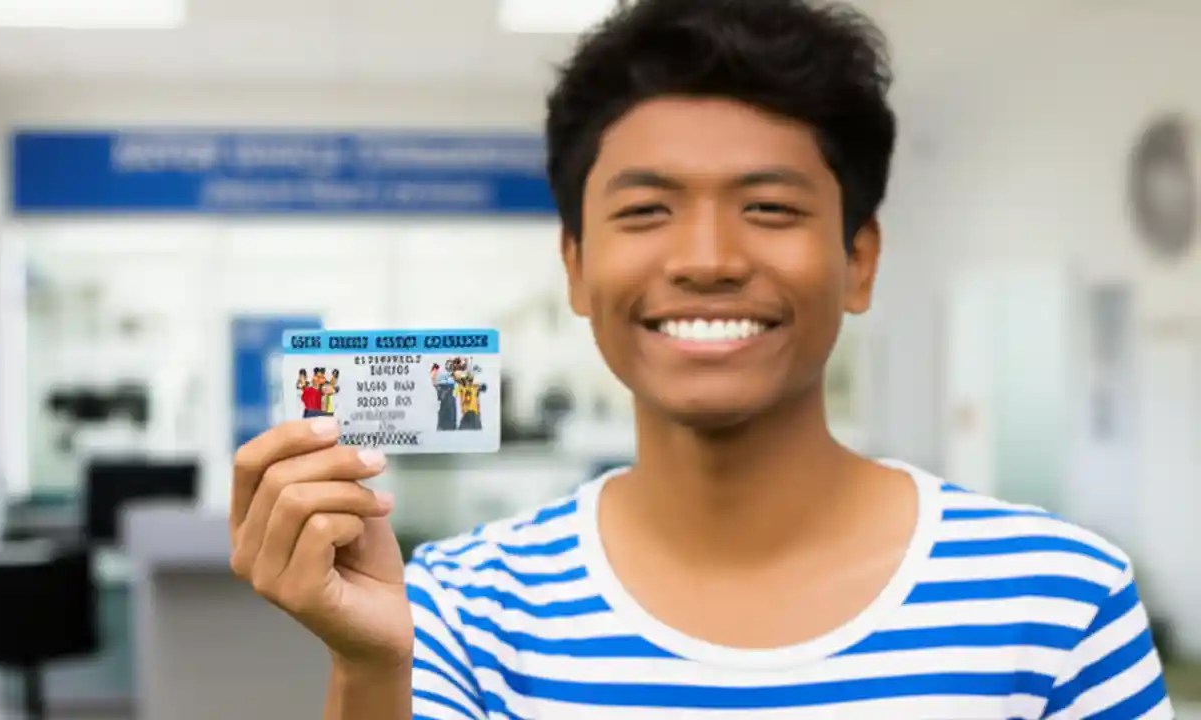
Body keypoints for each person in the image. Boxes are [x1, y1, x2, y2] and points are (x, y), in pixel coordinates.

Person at [228, 1, 1174, 717]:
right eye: (645, 211)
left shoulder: (1057, 593)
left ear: (860, 258)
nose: (709, 261)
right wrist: (366, 668)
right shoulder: (463, 613)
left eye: (769, 207)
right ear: (578, 267)